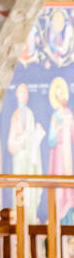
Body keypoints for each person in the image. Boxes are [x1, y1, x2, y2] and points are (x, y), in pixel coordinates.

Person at [8, 82, 44, 213]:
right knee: (19, 189)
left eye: (23, 93)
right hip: (19, 158)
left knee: (29, 192)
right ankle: (19, 217)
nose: (20, 96)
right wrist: (16, 144)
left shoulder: (29, 114)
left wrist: (35, 135)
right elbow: (11, 140)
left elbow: (30, 137)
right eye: (19, 93)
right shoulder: (15, 114)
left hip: (28, 159)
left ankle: (30, 218)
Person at [48, 76, 74, 224]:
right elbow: (51, 141)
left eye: (62, 93)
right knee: (60, 188)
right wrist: (57, 129)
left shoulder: (69, 114)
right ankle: (60, 222)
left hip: (68, 155)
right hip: (58, 156)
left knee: (69, 188)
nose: (60, 96)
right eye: (58, 94)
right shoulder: (55, 116)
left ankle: (70, 223)